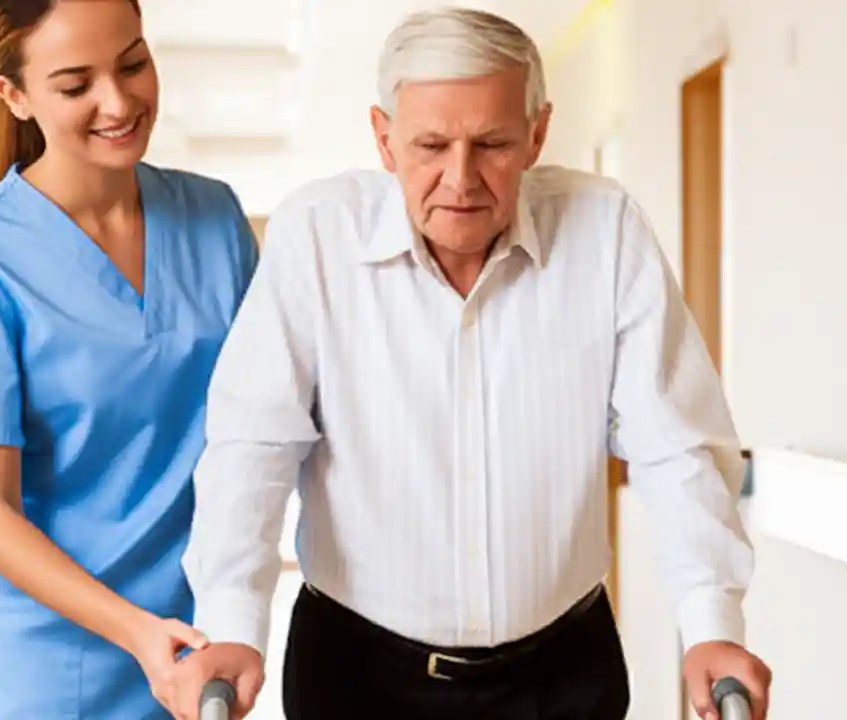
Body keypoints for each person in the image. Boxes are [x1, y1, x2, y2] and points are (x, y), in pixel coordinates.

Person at [174, 7, 772, 720]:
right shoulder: (316, 237)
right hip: (357, 672)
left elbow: (674, 442)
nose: (460, 179)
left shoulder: (605, 229)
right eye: (431, 145)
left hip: (561, 672)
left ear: (537, 135)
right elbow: (253, 446)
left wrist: (710, 622)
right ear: (384, 138)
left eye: (491, 143)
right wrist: (234, 623)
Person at [0, 1, 259, 717]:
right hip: (23, 663)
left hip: (177, 649)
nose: (119, 102)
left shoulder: (215, 219)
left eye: (133, 63)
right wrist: (138, 633)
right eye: (76, 86)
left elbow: (265, 426)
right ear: (15, 94)